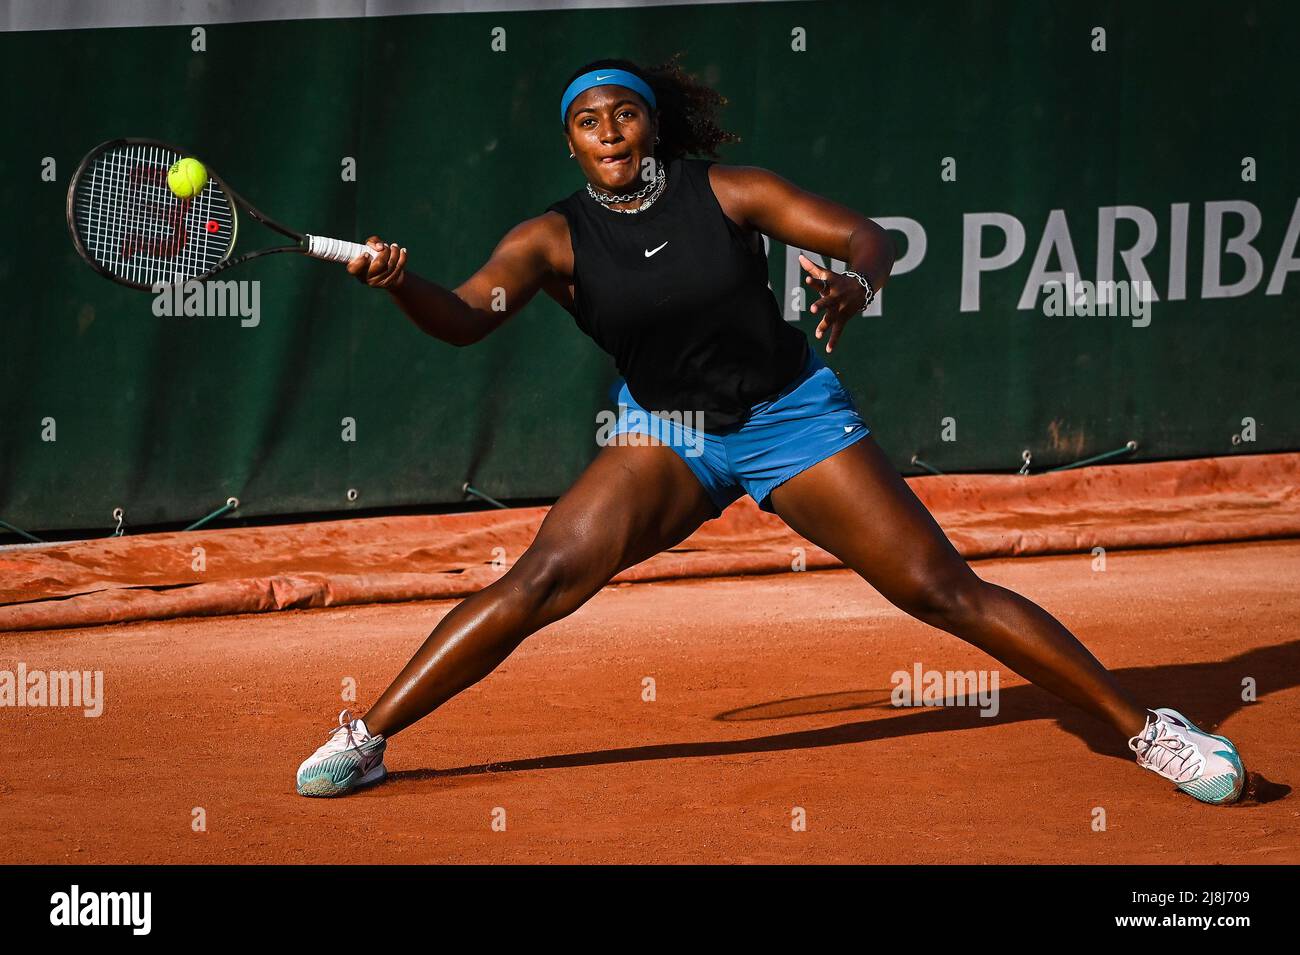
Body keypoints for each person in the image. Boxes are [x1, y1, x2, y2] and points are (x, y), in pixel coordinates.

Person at [294, 56, 1245, 806]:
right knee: (539, 578)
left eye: (623, 113)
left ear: (650, 124)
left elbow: (865, 236)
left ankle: (1149, 728)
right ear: (572, 147)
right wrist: (401, 284)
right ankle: (367, 736)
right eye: (589, 123)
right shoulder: (551, 239)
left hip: (790, 417)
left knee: (940, 590)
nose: (610, 131)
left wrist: (857, 283)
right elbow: (466, 316)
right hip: (666, 430)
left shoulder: (729, 192)